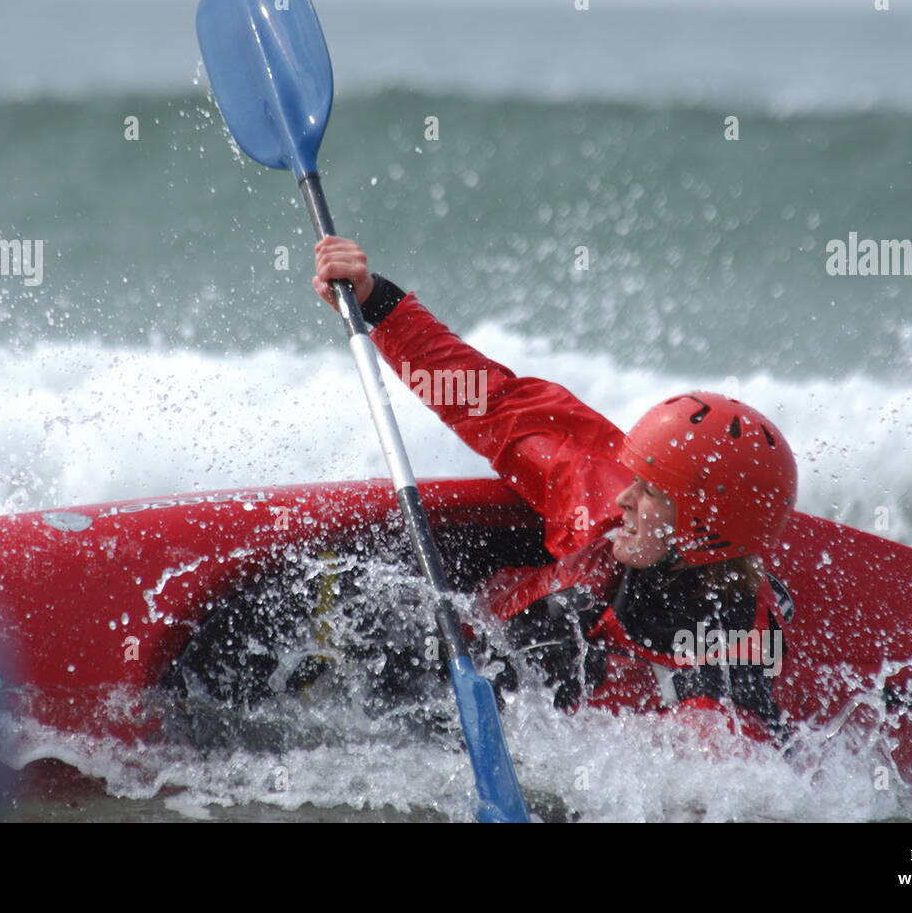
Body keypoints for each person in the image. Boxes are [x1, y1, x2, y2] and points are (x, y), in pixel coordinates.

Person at [312, 236, 799, 743]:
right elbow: (490, 402)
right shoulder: (601, 495)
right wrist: (377, 303)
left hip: (489, 716)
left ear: (704, 531)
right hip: (464, 636)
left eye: (650, 492)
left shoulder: (722, 677)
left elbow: (726, 774)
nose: (624, 499)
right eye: (634, 479)